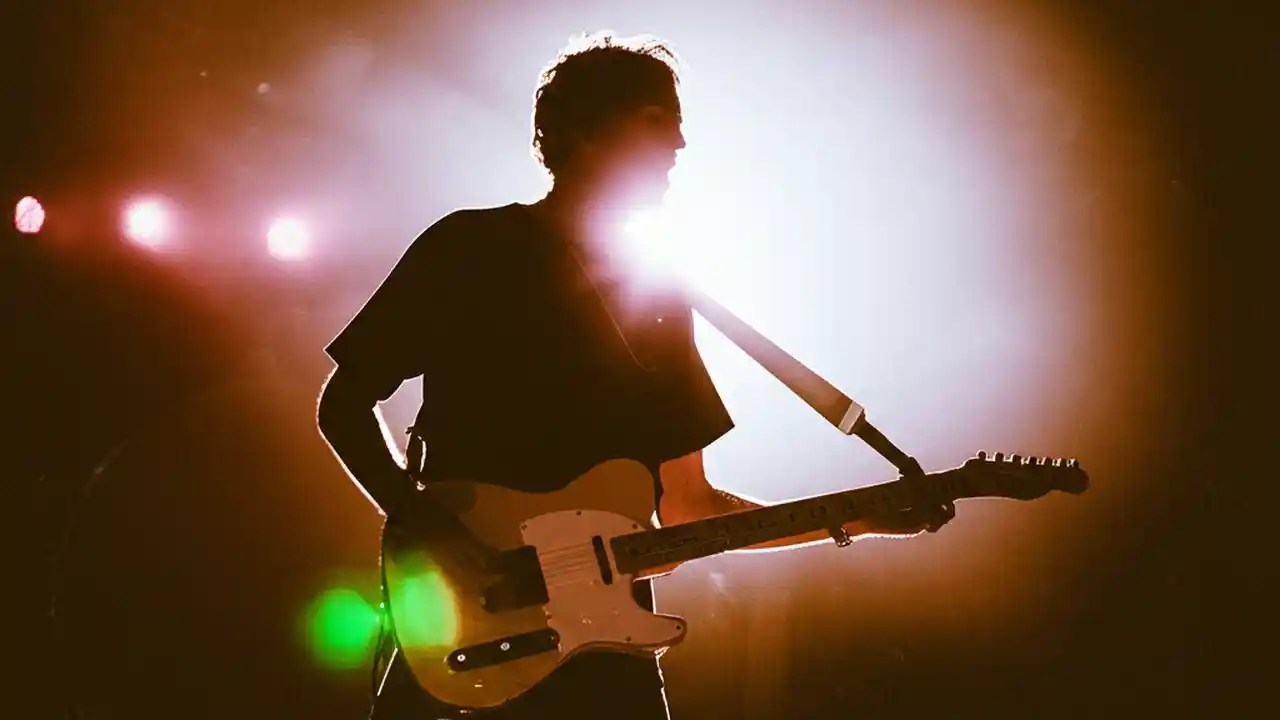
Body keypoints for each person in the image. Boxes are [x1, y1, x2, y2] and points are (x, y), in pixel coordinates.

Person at [317, 31, 952, 720]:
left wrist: (860, 517)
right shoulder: (470, 247)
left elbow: (688, 509)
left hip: (601, 666)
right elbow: (344, 400)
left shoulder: (658, 300)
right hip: (460, 640)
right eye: (658, 122)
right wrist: (420, 520)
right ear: (589, 130)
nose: (679, 145)